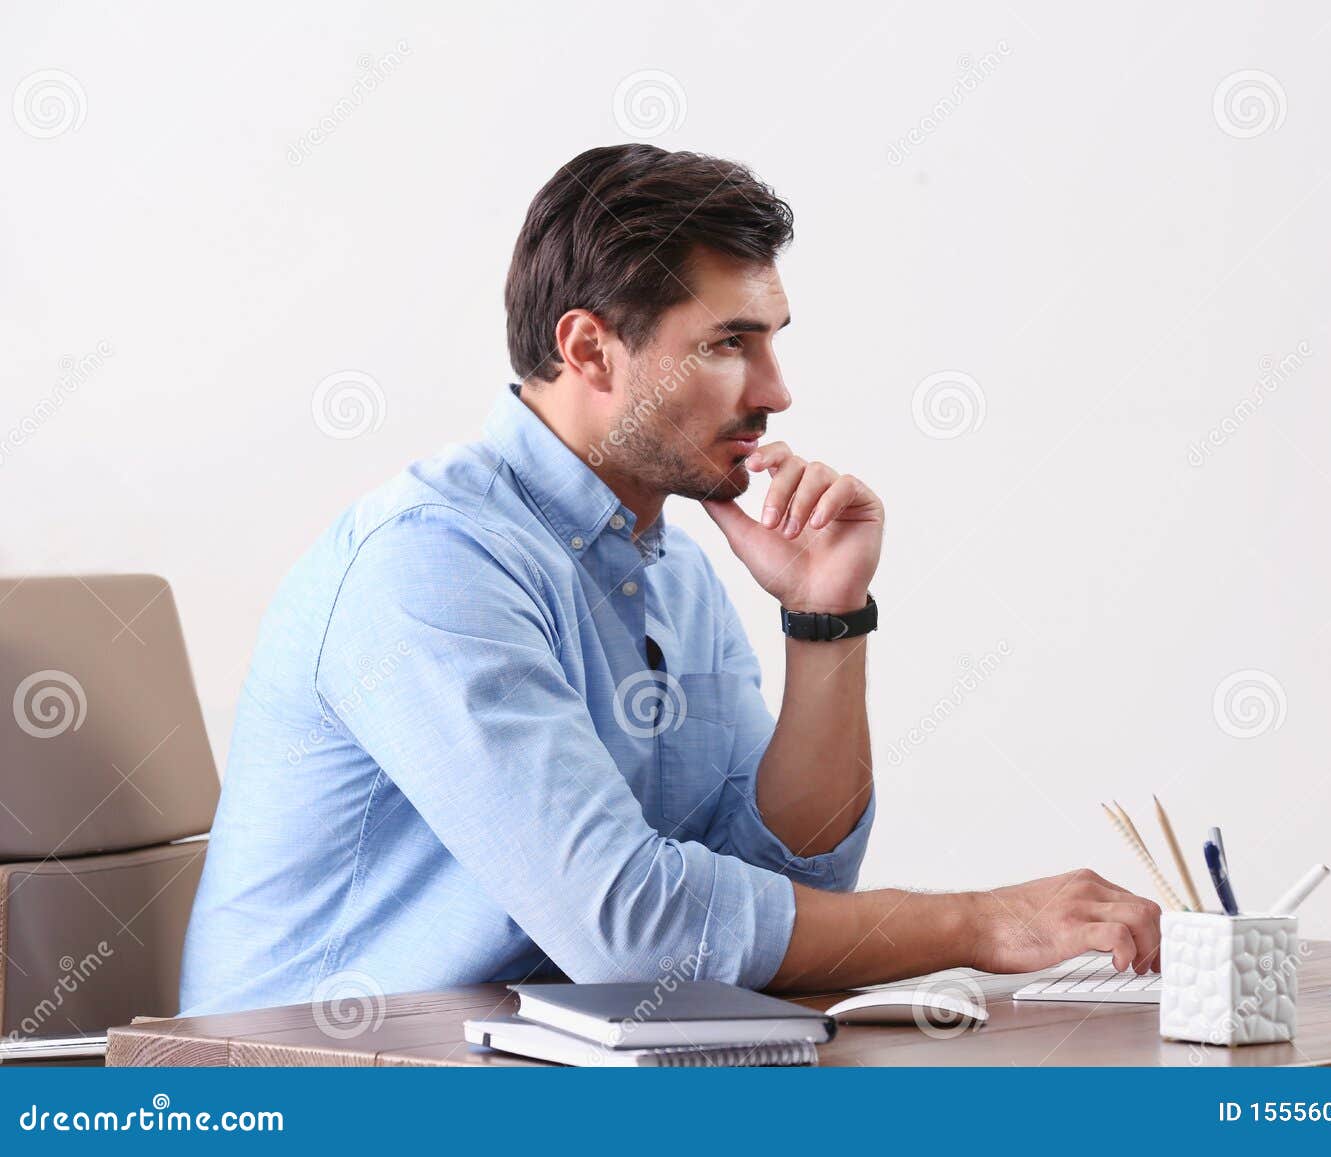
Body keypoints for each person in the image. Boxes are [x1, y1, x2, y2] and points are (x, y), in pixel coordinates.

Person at [179, 144, 1161, 1016]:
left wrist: (826, 619)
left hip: (549, 1066)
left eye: (771, 338)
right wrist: (982, 923)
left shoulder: (672, 568)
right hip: (317, 1082)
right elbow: (636, 930)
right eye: (729, 342)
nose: (777, 390)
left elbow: (773, 886)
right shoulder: (429, 565)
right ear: (588, 348)